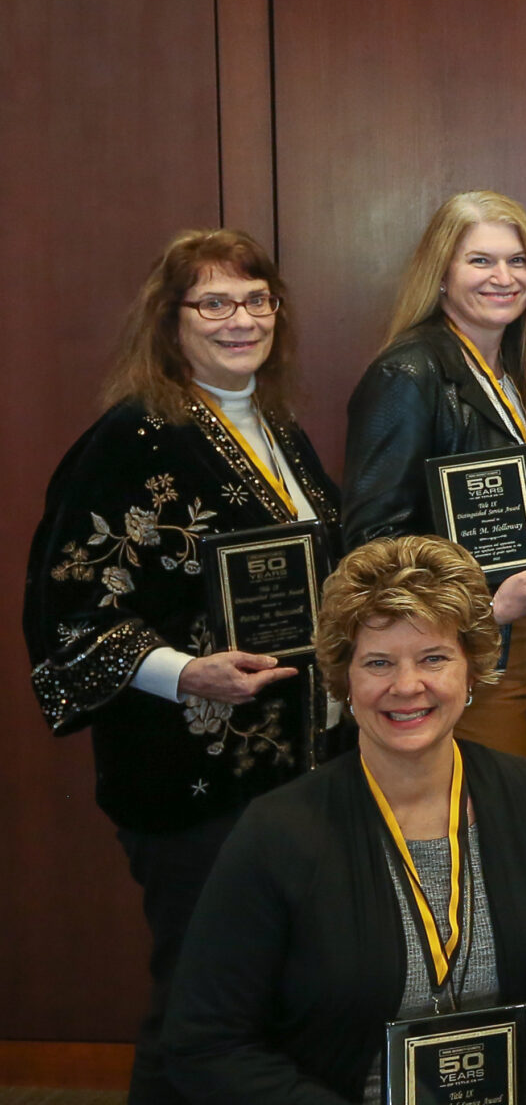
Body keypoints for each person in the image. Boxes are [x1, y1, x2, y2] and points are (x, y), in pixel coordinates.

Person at [24, 227, 343, 1105]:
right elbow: (68, 613)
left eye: (256, 300)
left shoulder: (277, 429)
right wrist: (182, 672)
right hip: (191, 781)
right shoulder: (132, 438)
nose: (240, 320)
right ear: (171, 320)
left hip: (290, 768)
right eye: (214, 303)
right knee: (198, 1009)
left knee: (264, 1004)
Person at [161, 535, 526, 1105]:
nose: (406, 686)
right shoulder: (277, 833)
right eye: (378, 662)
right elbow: (204, 1043)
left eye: (433, 658)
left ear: (472, 670)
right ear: (344, 681)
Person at [343, 190, 526, 757]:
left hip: (522, 634)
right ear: (441, 274)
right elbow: (372, 546)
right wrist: (485, 611)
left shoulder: (511, 373)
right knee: (474, 827)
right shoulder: (409, 372)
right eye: (481, 260)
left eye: (517, 261)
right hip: (454, 646)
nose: (503, 277)